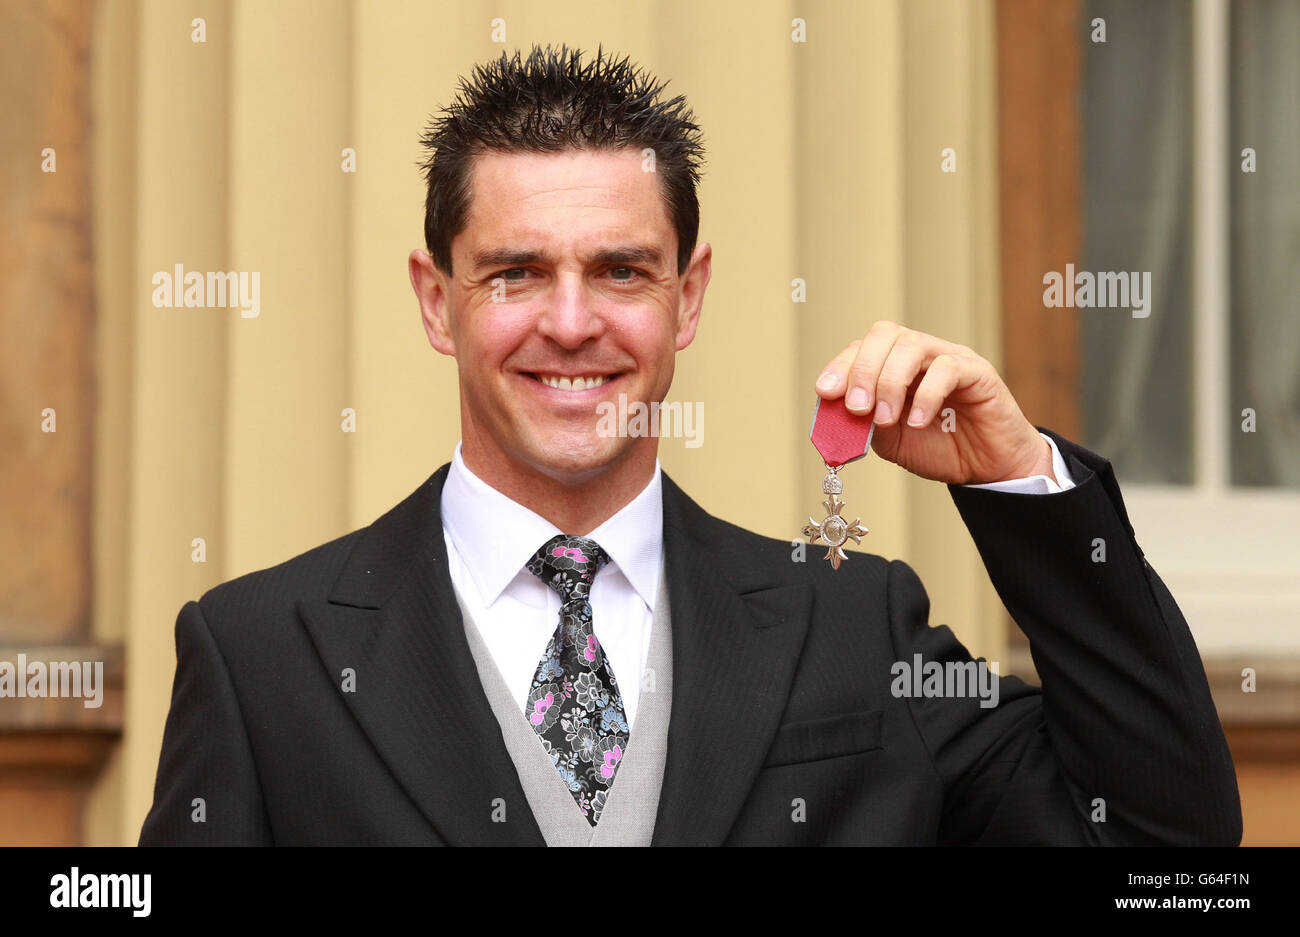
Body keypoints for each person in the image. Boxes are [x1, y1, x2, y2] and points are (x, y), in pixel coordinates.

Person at [139, 44, 1240, 846]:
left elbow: (1165, 841)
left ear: (688, 294)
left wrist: (1021, 484)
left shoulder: (854, 627)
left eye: (621, 270)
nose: (571, 323)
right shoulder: (260, 657)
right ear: (438, 303)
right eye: (516, 272)